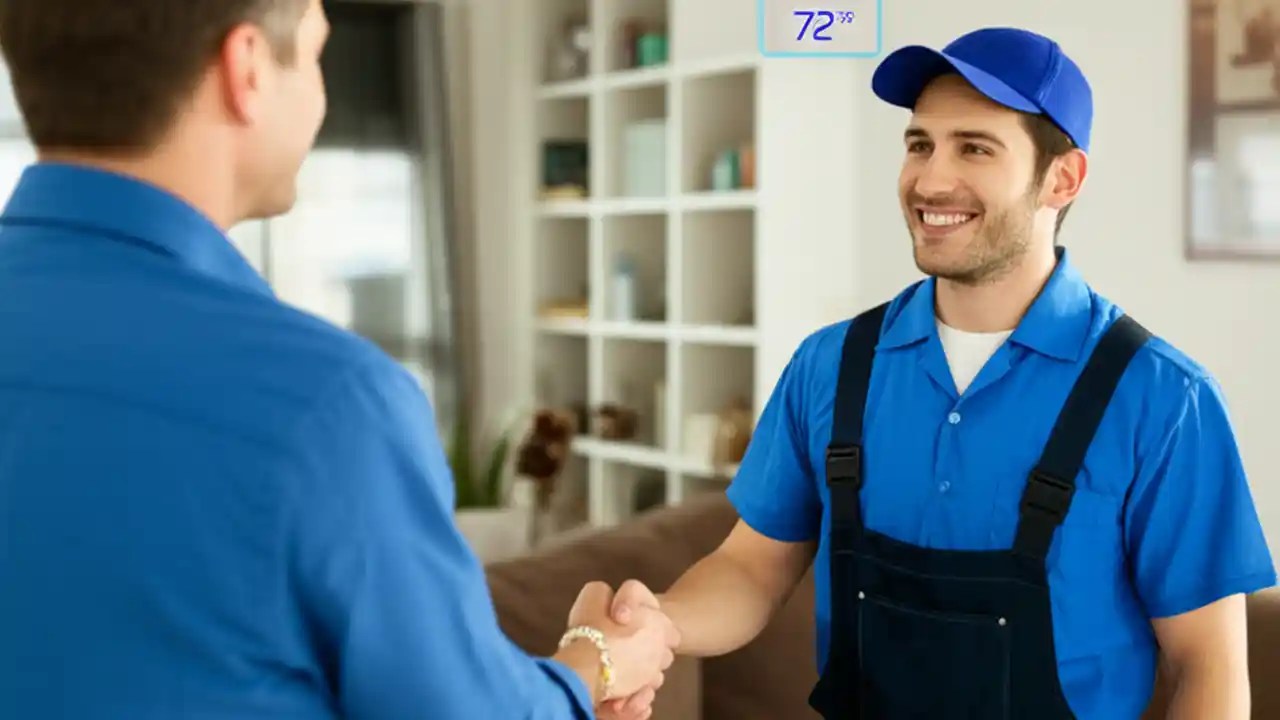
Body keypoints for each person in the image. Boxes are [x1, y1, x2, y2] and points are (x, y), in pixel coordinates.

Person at [0, 1, 676, 718]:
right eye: (316, 55)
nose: (322, 94)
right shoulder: (323, 404)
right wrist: (595, 663)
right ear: (247, 69)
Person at [594, 26, 1277, 720]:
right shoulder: (829, 367)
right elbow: (750, 568)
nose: (930, 180)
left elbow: (1208, 667)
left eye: (974, 148)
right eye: (920, 144)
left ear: (1062, 178)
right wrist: (658, 625)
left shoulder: (1164, 400)